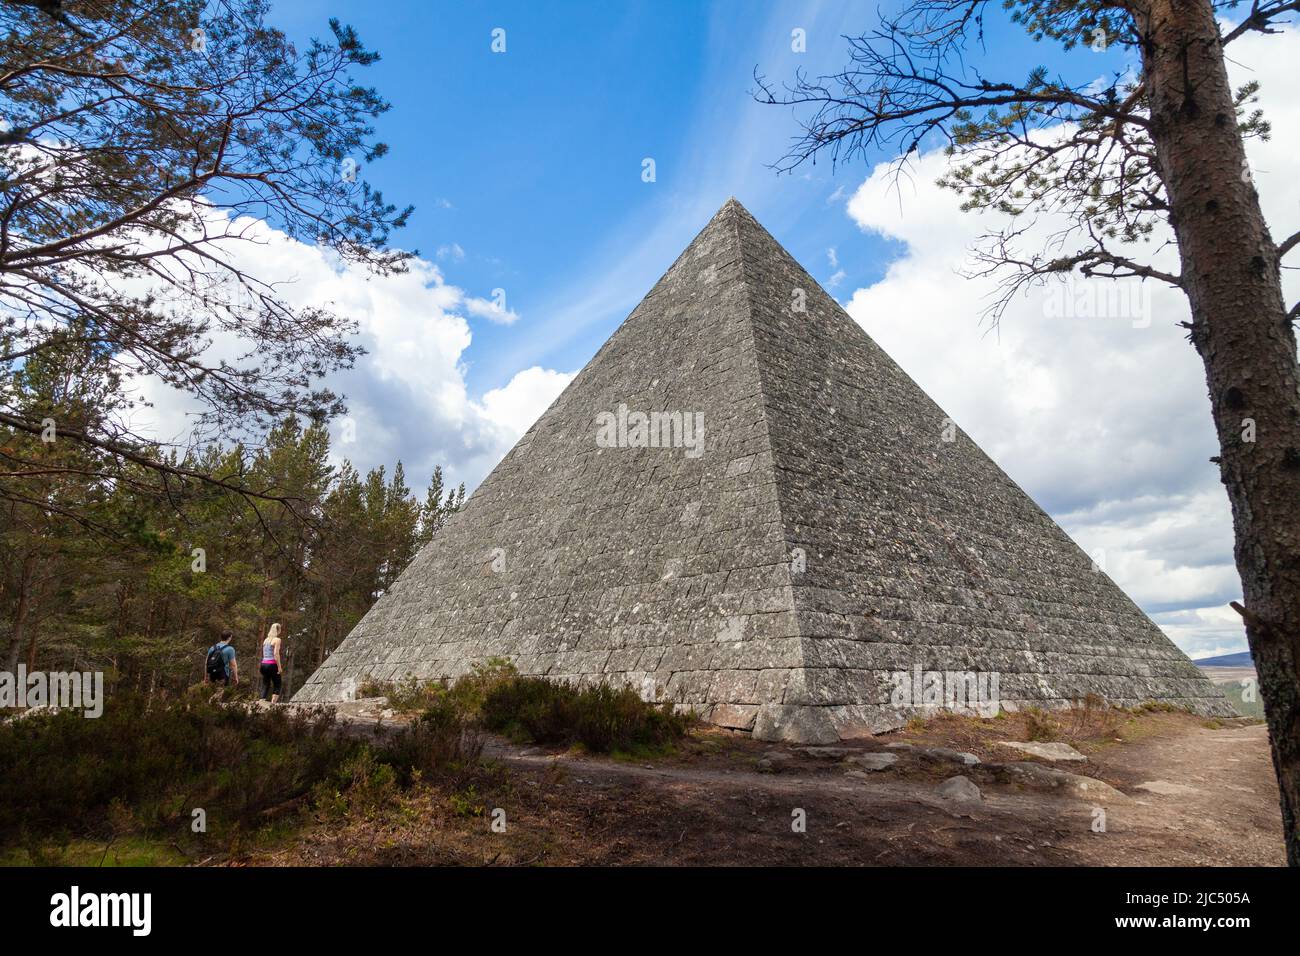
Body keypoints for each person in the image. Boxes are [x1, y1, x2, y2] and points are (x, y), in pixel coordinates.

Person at [259, 623, 284, 703]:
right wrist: (279, 667)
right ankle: (273, 705)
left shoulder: (266, 640)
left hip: (263, 664)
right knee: (277, 684)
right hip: (272, 664)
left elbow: (264, 653)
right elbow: (276, 654)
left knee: (266, 684)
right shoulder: (277, 640)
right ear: (278, 630)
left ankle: (261, 703)